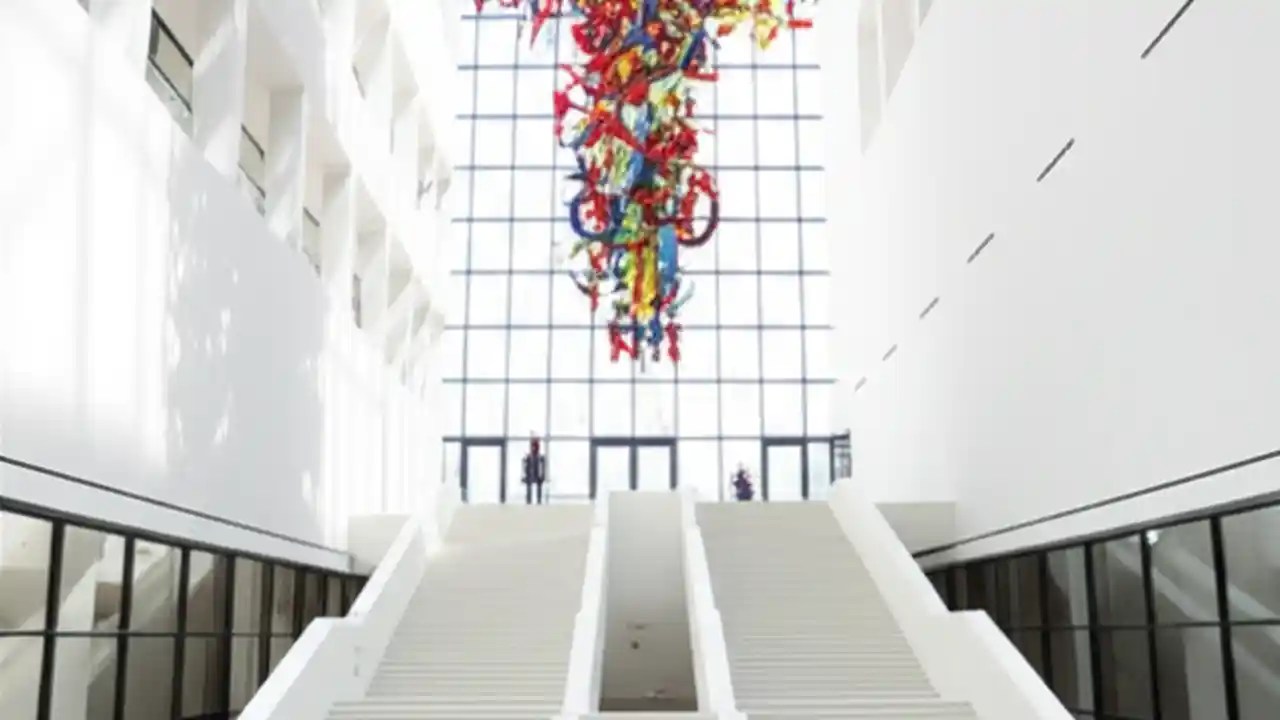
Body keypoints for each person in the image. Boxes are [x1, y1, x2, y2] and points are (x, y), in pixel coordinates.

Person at [522, 434, 548, 505]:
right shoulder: (529, 457)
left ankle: (538, 501)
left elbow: (543, 467)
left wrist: (543, 475)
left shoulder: (540, 457)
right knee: (529, 488)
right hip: (530, 475)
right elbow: (525, 466)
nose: (534, 448)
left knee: (538, 488)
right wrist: (524, 475)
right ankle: (529, 501)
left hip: (537, 475)